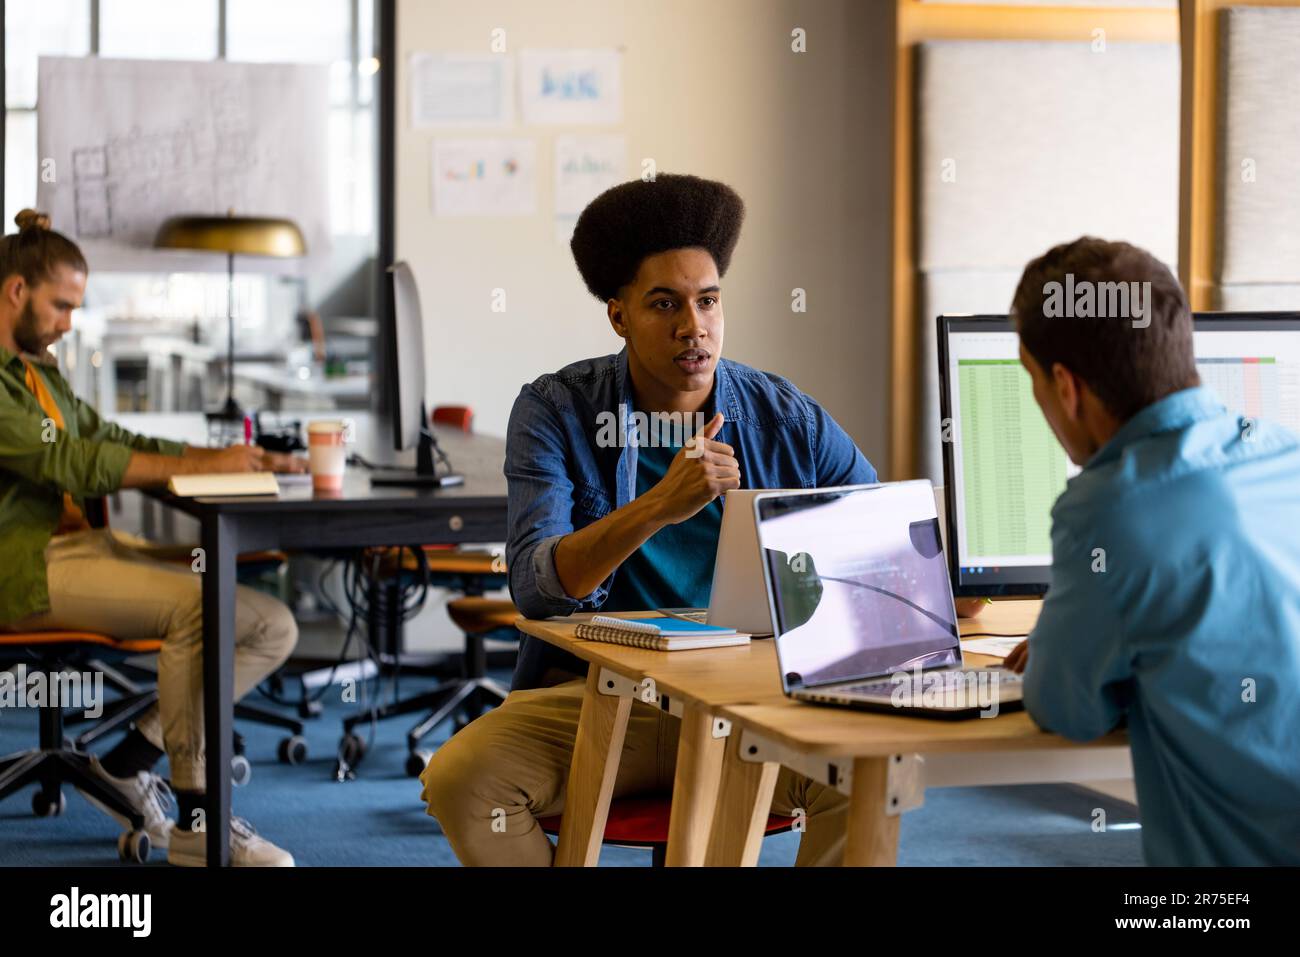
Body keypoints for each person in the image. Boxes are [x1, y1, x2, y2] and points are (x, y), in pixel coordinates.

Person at [421, 173, 983, 865]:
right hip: (602, 702)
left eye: (708, 301)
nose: (694, 327)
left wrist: (941, 583)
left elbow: (880, 539)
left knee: (873, 766)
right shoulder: (556, 410)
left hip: (754, 702)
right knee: (462, 779)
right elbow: (538, 588)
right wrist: (658, 506)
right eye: (665, 304)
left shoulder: (787, 416)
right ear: (619, 315)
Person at [0, 210, 303, 866]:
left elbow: (111, 440)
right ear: (15, 291)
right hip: (23, 569)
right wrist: (199, 466)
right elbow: (70, 463)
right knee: (196, 608)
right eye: (61, 305)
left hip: (84, 552)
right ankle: (200, 824)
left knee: (271, 624)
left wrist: (220, 456)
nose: (69, 323)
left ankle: (128, 760)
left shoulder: (38, 371)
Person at [1002, 236, 1300, 865]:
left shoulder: (1110, 508)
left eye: (1032, 382)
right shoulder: (1285, 452)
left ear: (1066, 387)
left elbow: (1066, 708)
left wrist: (1079, 649)